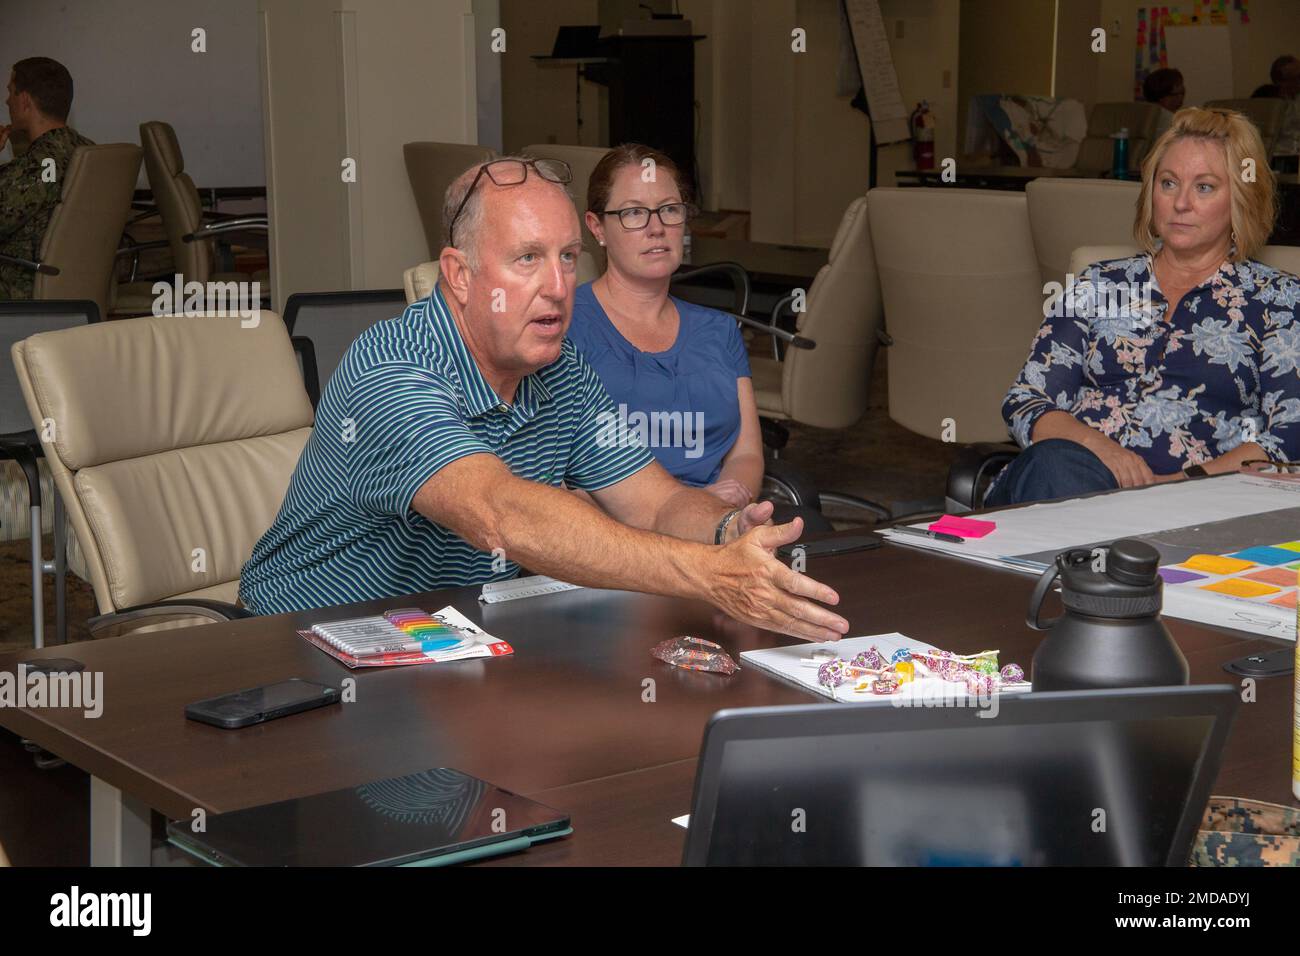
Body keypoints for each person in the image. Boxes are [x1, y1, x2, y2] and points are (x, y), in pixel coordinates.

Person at [239, 156, 848, 643]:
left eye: (566, 258)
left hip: (446, 640)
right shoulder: (393, 369)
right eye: (527, 259)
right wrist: (708, 575)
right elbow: (501, 514)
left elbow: (655, 503)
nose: (558, 289)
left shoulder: (561, 369)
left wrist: (724, 529)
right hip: (299, 646)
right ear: (458, 275)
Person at [989, 107, 1300, 506]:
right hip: (1070, 478)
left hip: (1198, 500)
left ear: (1241, 197)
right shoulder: (1099, 284)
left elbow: (1289, 435)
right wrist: (1105, 451)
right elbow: (1027, 400)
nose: (1181, 203)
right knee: (1053, 468)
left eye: (1204, 187)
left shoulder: (1277, 300)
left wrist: (1177, 484)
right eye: (1168, 183)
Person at [568, 144, 762, 508]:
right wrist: (682, 510)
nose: (656, 228)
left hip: (716, 525)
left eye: (670, 210)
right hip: (606, 539)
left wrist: (719, 509)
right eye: (634, 213)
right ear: (597, 228)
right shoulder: (563, 327)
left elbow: (746, 455)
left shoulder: (720, 331)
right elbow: (551, 477)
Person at [0, 57, 93, 299]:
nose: (6, 100)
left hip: (21, 289)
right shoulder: (88, 150)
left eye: (10, 92)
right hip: (80, 287)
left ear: (24, 100)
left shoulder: (36, 165)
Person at [1142, 68, 1185, 136]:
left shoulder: (1143, 114)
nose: (1181, 97)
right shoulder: (1169, 120)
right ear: (1162, 97)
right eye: (1177, 93)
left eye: (1182, 92)